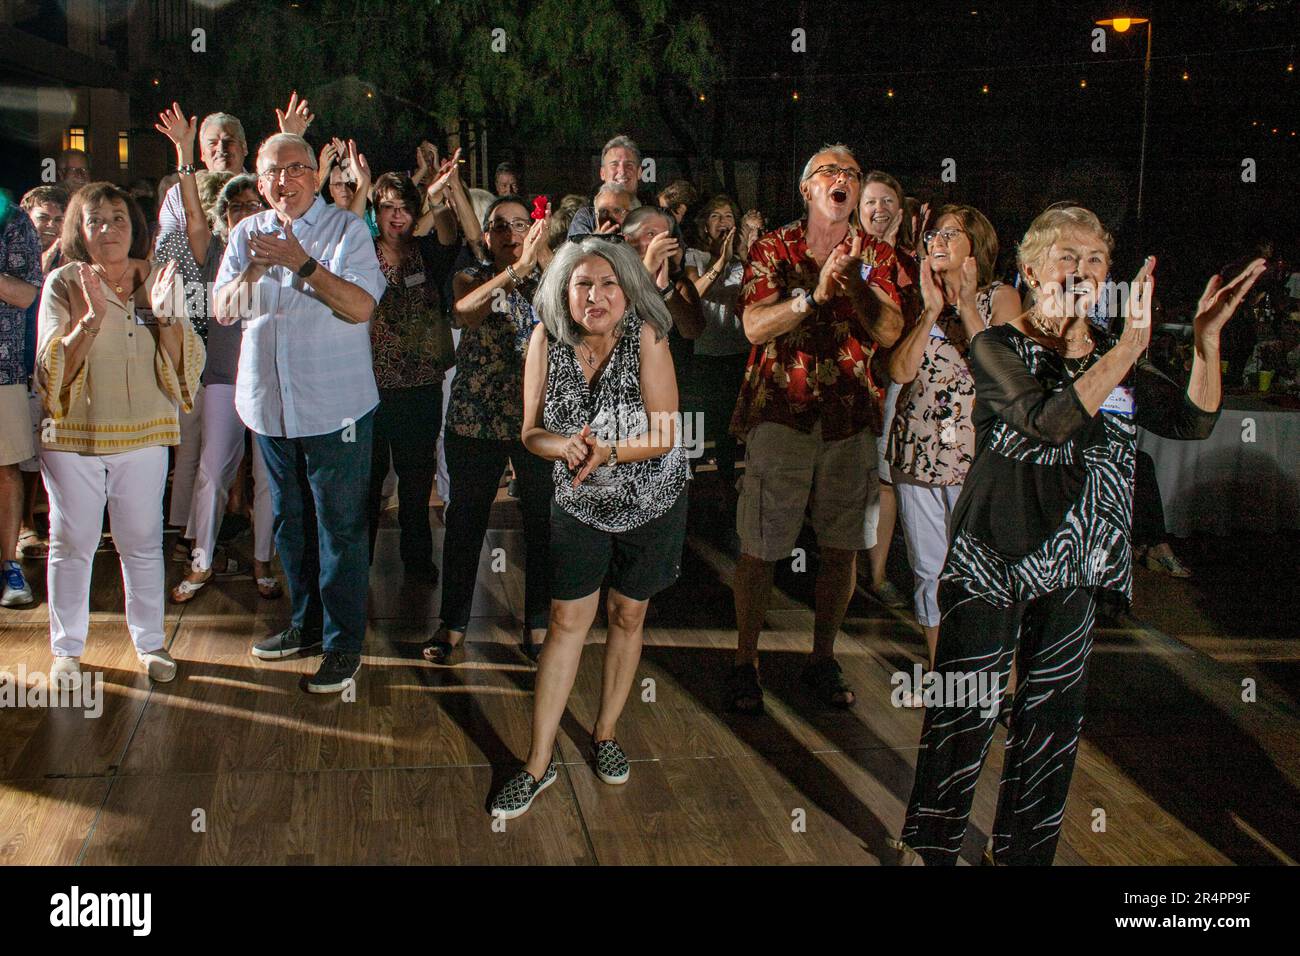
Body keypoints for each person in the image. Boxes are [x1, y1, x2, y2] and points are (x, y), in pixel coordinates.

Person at [892, 206, 1266, 865]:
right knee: (965, 711)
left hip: (1074, 569)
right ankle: (932, 848)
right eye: (1068, 256)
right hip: (992, 560)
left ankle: (1020, 855)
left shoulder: (1112, 359)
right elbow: (1045, 420)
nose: (1084, 270)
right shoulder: (998, 345)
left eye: (1096, 261)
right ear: (1031, 271)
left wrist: (1206, 344)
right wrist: (1125, 350)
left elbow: (1192, 420)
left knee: (1051, 724)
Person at [489, 237, 689, 820]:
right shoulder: (546, 341)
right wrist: (567, 445)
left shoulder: (646, 337)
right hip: (577, 499)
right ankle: (537, 762)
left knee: (628, 615)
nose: (595, 295)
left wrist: (609, 452)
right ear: (563, 292)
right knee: (565, 620)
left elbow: (667, 434)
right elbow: (531, 433)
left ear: (628, 290)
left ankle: (603, 734)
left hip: (651, 500)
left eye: (608, 284)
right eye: (582, 284)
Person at [727, 145, 903, 714]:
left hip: (849, 418)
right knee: (761, 544)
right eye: (829, 172)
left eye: (851, 174)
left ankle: (822, 657)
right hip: (782, 410)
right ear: (807, 189)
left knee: (840, 546)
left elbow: (892, 328)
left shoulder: (873, 255)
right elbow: (754, 325)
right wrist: (813, 296)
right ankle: (745, 661)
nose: (842, 180)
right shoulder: (772, 249)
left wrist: (852, 285)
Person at [213, 132, 386, 695]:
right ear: (259, 183)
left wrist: (302, 263)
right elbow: (221, 310)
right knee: (290, 523)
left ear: (315, 174)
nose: (282, 181)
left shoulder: (346, 229)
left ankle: (342, 645)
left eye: (294, 169)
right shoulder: (245, 233)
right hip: (269, 407)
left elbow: (360, 307)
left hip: (337, 408)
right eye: (270, 173)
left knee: (339, 529)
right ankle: (305, 625)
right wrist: (257, 270)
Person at [36, 183, 204, 683]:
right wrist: (89, 319)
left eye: (117, 219)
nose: (107, 229)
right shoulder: (64, 281)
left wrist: (167, 312)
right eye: (95, 220)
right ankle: (67, 649)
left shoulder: (158, 276)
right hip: (75, 440)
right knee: (72, 541)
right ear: (79, 230)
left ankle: (151, 643)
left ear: (135, 228)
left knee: (143, 542)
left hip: (145, 435)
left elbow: (184, 361)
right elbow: (51, 370)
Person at [153, 104, 280, 602]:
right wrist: (185, 154)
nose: (244, 213)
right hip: (223, 376)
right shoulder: (214, 250)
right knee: (211, 471)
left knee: (267, 478)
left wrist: (290, 138)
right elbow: (190, 210)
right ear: (225, 215)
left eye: (253, 205)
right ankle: (202, 562)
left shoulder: (282, 248)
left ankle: (263, 561)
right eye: (235, 207)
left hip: (271, 377)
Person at [886, 204, 1017, 669]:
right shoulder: (919, 297)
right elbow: (899, 370)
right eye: (934, 234)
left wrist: (963, 303)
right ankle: (945, 675)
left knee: (985, 569)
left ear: (975, 246)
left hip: (976, 458)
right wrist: (932, 311)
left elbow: (1002, 374)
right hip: (918, 454)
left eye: (950, 234)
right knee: (928, 571)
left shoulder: (1000, 298)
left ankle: (1003, 680)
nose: (936, 241)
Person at [427, 196, 554, 664]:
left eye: (520, 224)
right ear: (486, 236)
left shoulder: (556, 281)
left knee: (541, 525)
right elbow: (465, 312)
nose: (509, 232)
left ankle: (538, 624)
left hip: (536, 422)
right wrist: (515, 271)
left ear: (534, 230)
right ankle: (453, 623)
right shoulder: (473, 276)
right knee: (465, 523)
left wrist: (535, 267)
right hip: (474, 419)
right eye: (499, 225)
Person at [365, 170, 477, 580]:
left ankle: (416, 558)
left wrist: (441, 196)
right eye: (388, 207)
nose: (397, 216)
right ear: (376, 212)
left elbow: (451, 237)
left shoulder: (426, 252)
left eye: (405, 208)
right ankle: (361, 562)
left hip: (421, 384)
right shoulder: (361, 250)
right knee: (369, 481)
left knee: (415, 480)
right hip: (369, 387)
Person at [684, 195, 757, 498]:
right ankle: (698, 493)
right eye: (716, 216)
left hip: (738, 352)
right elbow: (694, 293)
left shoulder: (744, 262)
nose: (723, 221)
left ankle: (735, 492)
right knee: (706, 429)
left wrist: (748, 250)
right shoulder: (694, 256)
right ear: (704, 224)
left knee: (737, 427)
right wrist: (721, 262)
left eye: (729, 216)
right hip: (706, 355)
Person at [0, 198, 43, 606]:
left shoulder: (11, 220)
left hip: (2, 366)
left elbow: (27, 294)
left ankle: (8, 566)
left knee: (6, 471)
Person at [567, 135, 642, 238]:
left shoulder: (654, 211)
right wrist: (598, 239)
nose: (622, 171)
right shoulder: (587, 217)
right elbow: (575, 253)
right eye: (614, 165)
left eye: (629, 165)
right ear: (602, 173)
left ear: (639, 172)